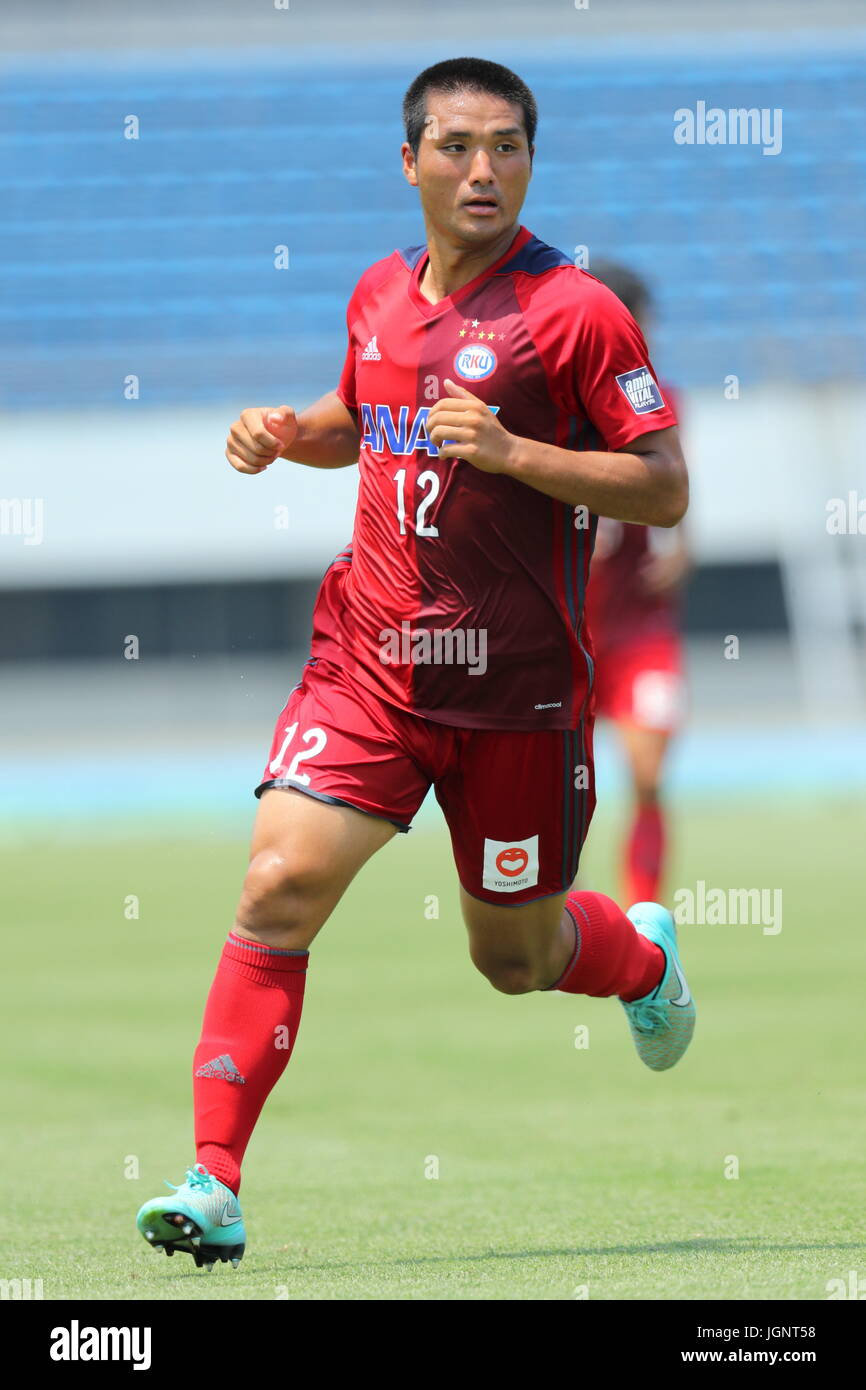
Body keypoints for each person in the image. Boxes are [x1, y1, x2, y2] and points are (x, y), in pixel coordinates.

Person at [136, 57, 695, 1272]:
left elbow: (660, 485)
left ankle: (641, 957)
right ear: (410, 163)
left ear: (530, 163)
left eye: (504, 146)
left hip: (517, 692)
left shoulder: (577, 313)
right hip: (371, 668)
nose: (479, 169)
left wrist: (513, 451)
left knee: (517, 959)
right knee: (278, 883)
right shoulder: (376, 295)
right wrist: (289, 433)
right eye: (454, 146)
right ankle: (213, 1181)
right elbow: (365, 417)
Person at [583, 261, 690, 907]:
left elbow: (681, 491)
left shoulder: (665, 401)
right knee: (565, 787)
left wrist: (686, 552)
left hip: (645, 627)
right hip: (569, 628)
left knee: (648, 775)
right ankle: (563, 917)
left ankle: (642, 915)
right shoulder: (557, 402)